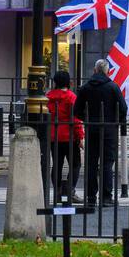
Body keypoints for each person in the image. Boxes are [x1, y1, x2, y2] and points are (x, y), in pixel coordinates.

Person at [73, 59, 128, 206]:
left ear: (95, 70)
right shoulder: (113, 87)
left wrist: (87, 118)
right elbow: (123, 108)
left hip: (91, 127)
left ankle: (91, 197)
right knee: (107, 163)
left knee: (91, 163)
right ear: (107, 71)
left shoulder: (85, 88)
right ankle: (106, 197)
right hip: (109, 129)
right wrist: (115, 122)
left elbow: (76, 111)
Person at [47, 69, 84, 202]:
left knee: (57, 164)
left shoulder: (48, 97)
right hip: (69, 137)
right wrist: (80, 137)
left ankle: (57, 191)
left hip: (53, 136)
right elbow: (76, 119)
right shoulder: (71, 97)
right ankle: (70, 191)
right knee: (75, 165)